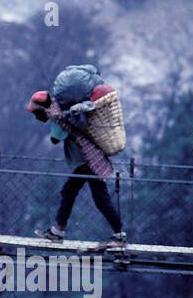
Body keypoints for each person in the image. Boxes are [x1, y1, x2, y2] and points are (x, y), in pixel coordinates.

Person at [27, 90, 126, 247]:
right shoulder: (60, 110)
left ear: (41, 108)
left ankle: (119, 235)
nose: (37, 117)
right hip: (86, 161)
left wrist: (55, 124)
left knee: (100, 199)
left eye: (37, 113)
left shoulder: (56, 115)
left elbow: (55, 139)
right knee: (70, 192)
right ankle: (57, 231)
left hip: (88, 161)